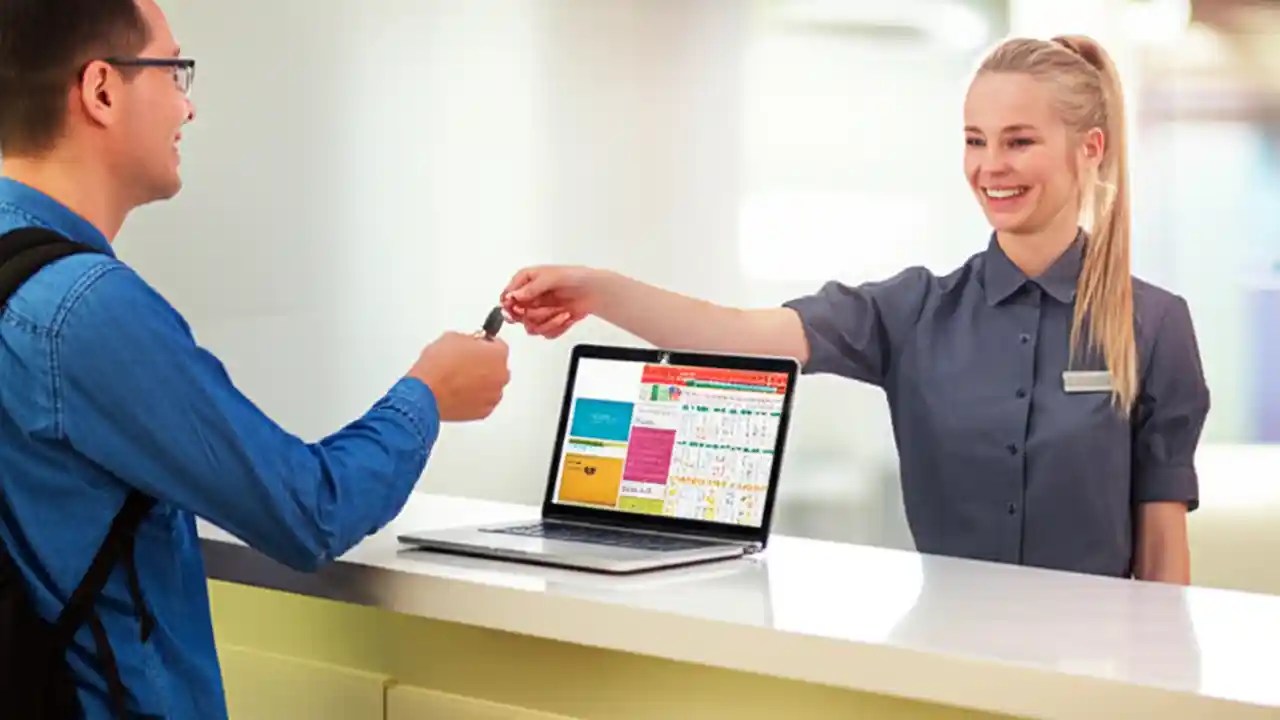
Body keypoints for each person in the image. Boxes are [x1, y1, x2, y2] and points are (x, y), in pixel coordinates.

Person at [501, 35, 1210, 584]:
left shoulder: (1154, 324)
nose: (991, 165)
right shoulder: (913, 311)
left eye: (1019, 141)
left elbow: (1161, 558)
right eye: (975, 140)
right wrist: (601, 291)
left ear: (1090, 149)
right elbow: (742, 337)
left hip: (1092, 679)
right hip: (940, 662)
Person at [0, 0, 510, 717]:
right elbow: (308, 512)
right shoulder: (82, 311)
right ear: (102, 91)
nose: (188, 107)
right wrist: (430, 394)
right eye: (175, 71)